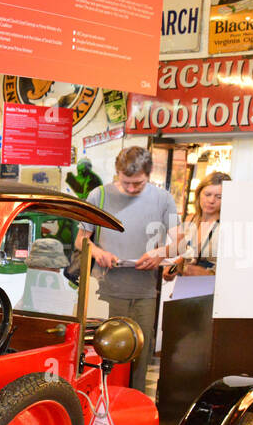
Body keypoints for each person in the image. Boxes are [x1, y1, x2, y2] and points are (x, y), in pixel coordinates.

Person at [75, 145, 178, 394]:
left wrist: (160, 252)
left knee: (140, 351)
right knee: (105, 350)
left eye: (138, 184)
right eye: (126, 182)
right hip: (106, 288)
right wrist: (98, 252)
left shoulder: (163, 199)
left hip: (145, 289)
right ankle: (102, 401)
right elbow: (81, 239)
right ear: (117, 173)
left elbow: (180, 241)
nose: (132, 189)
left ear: (149, 174)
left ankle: (136, 401)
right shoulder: (98, 196)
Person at [158, 171, 228, 280]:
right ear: (199, 193)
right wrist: (174, 267)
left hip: (210, 293)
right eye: (207, 194)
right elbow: (189, 255)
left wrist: (207, 274)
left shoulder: (226, 225)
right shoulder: (191, 219)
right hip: (185, 289)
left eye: (219, 197)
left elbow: (233, 271)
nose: (211, 200)